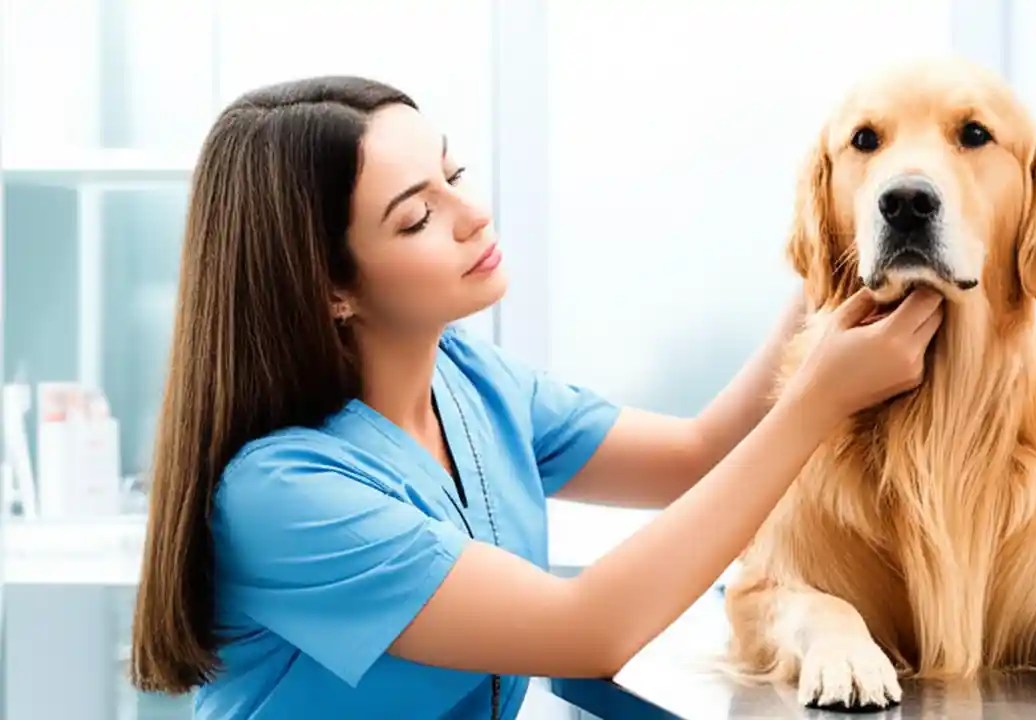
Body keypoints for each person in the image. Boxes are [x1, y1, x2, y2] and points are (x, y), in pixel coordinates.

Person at [129, 76, 944, 720]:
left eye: (452, 175)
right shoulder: (284, 497)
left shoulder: (473, 384)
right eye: (418, 216)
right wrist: (820, 399)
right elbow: (584, 632)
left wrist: (836, 255)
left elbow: (698, 456)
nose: (472, 214)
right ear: (331, 288)